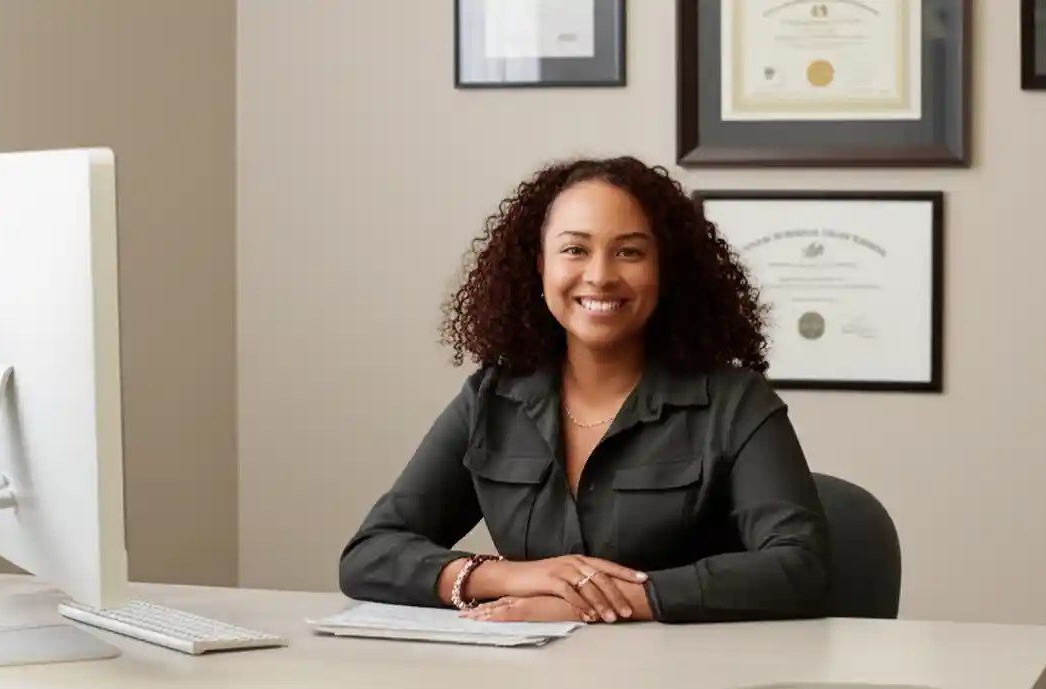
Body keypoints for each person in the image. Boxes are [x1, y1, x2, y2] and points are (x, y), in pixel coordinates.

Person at [338, 156, 829, 625]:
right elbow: (371, 555)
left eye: (629, 252)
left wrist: (605, 602)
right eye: (575, 249)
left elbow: (799, 567)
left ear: (665, 268)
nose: (599, 276)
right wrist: (517, 577)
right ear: (539, 264)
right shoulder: (491, 398)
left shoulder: (735, 403)